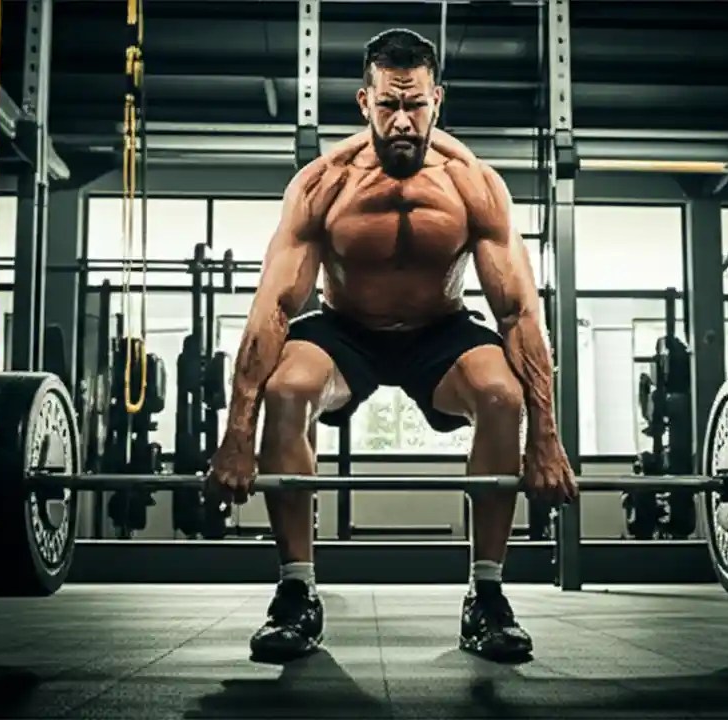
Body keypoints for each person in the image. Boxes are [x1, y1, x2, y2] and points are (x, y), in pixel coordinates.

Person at [209, 28, 577, 664]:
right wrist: (237, 432)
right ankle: (296, 593)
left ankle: (486, 595)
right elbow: (274, 306)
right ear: (364, 102)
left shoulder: (473, 184)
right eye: (388, 106)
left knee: (499, 394)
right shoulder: (323, 184)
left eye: (416, 105)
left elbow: (516, 310)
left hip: (441, 327)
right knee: (288, 389)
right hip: (345, 326)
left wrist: (546, 436)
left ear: (439, 99)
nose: (403, 121)